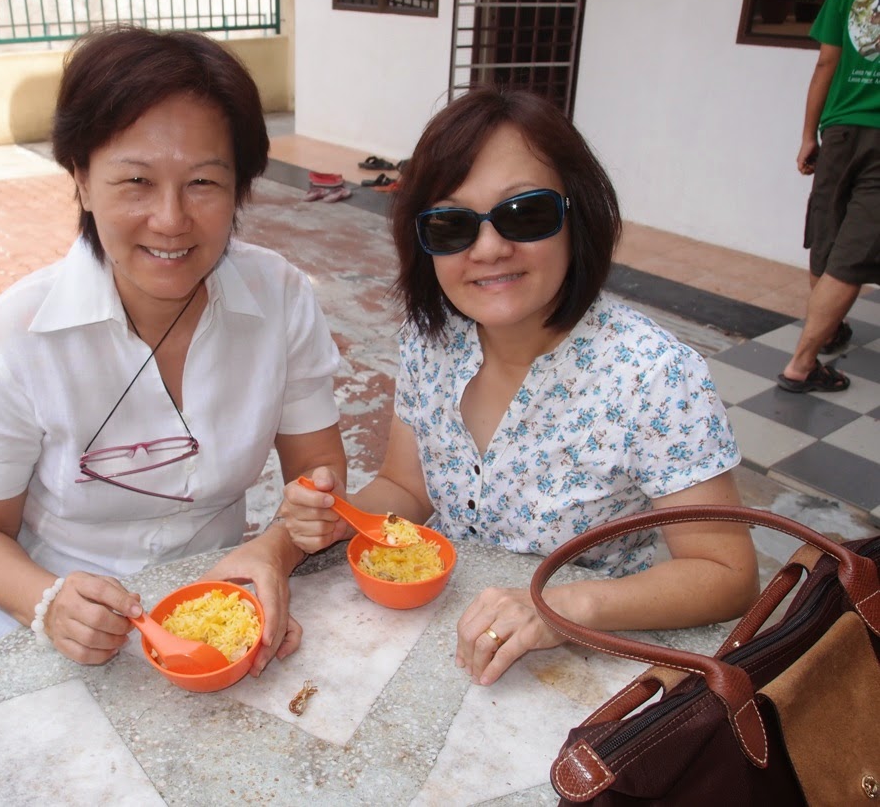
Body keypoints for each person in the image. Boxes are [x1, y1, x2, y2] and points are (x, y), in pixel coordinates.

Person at [0, 26, 346, 698]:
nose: (171, 220)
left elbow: (319, 473)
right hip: (0, 639)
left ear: (240, 189)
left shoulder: (281, 297)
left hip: (200, 629)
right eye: (136, 181)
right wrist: (47, 601)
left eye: (203, 182)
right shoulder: (11, 339)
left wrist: (281, 543)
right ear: (81, 179)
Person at [280, 88, 758, 687]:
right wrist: (341, 517)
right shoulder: (432, 340)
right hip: (448, 641)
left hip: (585, 670)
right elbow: (406, 486)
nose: (488, 249)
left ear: (575, 216)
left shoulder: (653, 376)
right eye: (453, 224)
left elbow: (726, 571)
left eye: (524, 214)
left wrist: (566, 607)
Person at [778, 0, 880, 393]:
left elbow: (826, 63)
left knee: (828, 232)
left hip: (839, 131)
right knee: (854, 251)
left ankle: (831, 329)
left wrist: (808, 136)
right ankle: (802, 366)